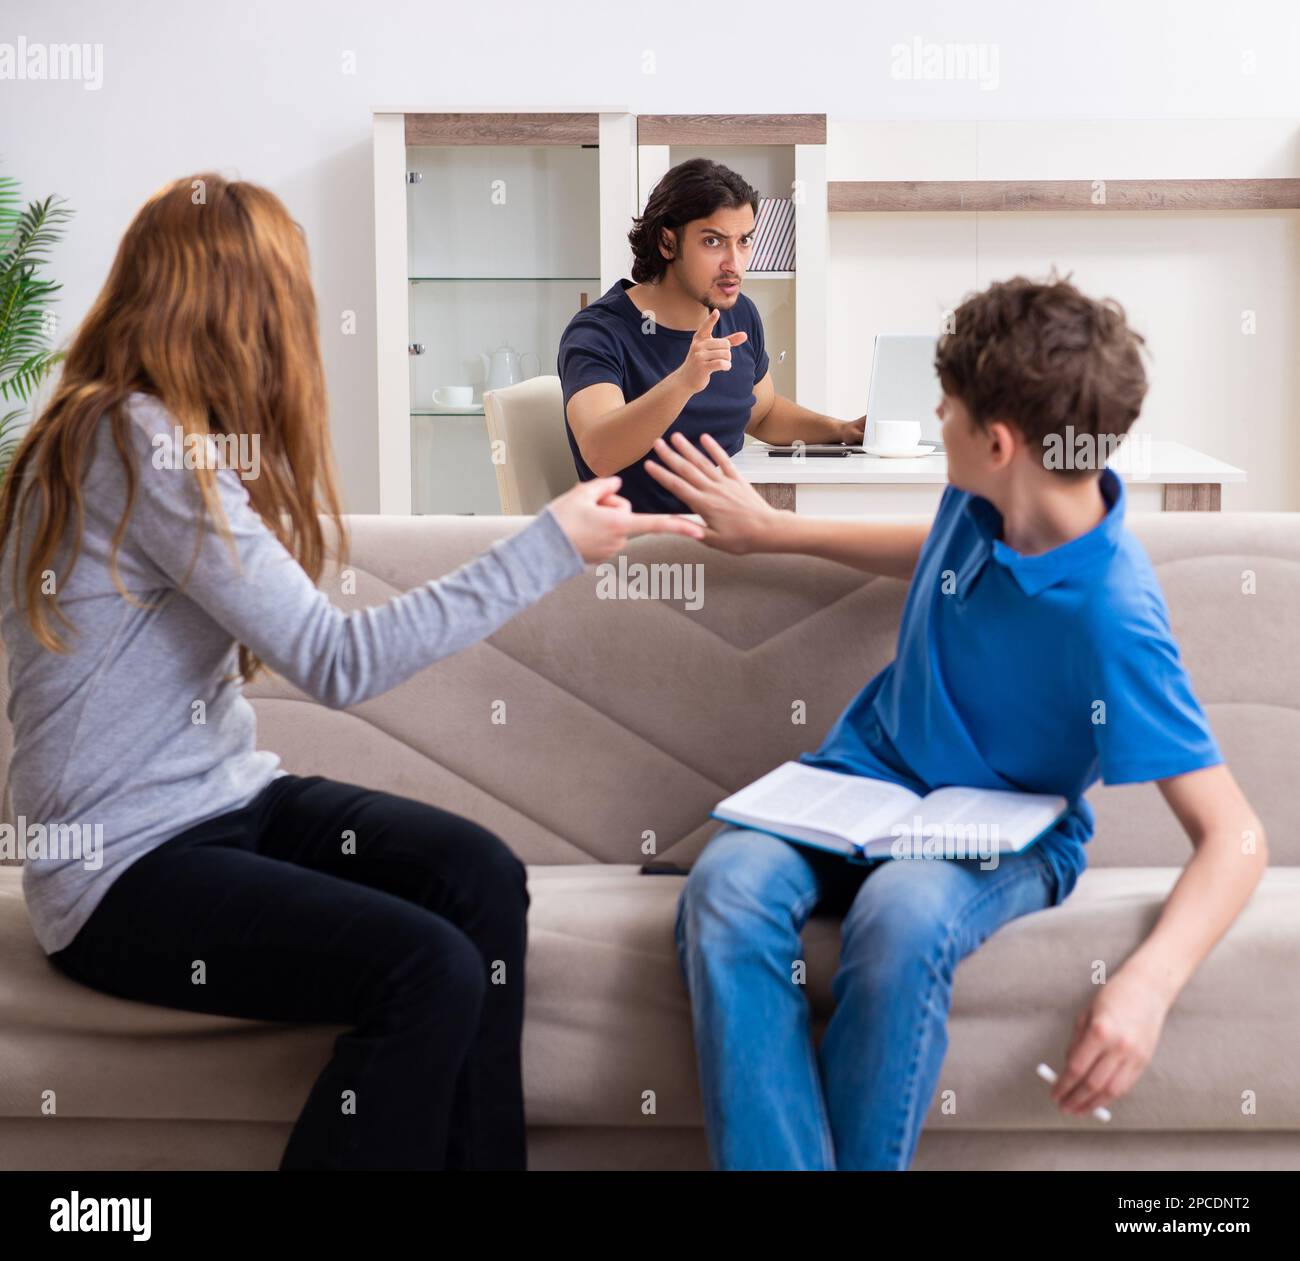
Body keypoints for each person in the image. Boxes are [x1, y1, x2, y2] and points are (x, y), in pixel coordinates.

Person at [0, 172, 704, 1171]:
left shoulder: (139, 430)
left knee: (480, 874)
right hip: (121, 868)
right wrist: (549, 543)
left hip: (222, 803)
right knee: (430, 970)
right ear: (240, 305)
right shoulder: (131, 440)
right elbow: (338, 660)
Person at [646, 274, 1268, 1170]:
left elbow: (1234, 836)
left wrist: (1146, 988)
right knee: (726, 888)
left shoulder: (1113, 612)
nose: (936, 417)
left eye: (946, 407)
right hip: (866, 780)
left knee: (900, 915)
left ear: (1000, 440)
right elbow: (931, 544)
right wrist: (775, 532)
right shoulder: (988, 500)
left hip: (1001, 831)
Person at [558, 157, 865, 514]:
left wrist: (841, 430)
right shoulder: (599, 332)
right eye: (713, 242)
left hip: (727, 534)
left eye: (744, 241)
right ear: (667, 243)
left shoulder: (740, 314)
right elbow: (600, 453)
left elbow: (761, 413)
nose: (734, 263)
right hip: (638, 551)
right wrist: (685, 381)